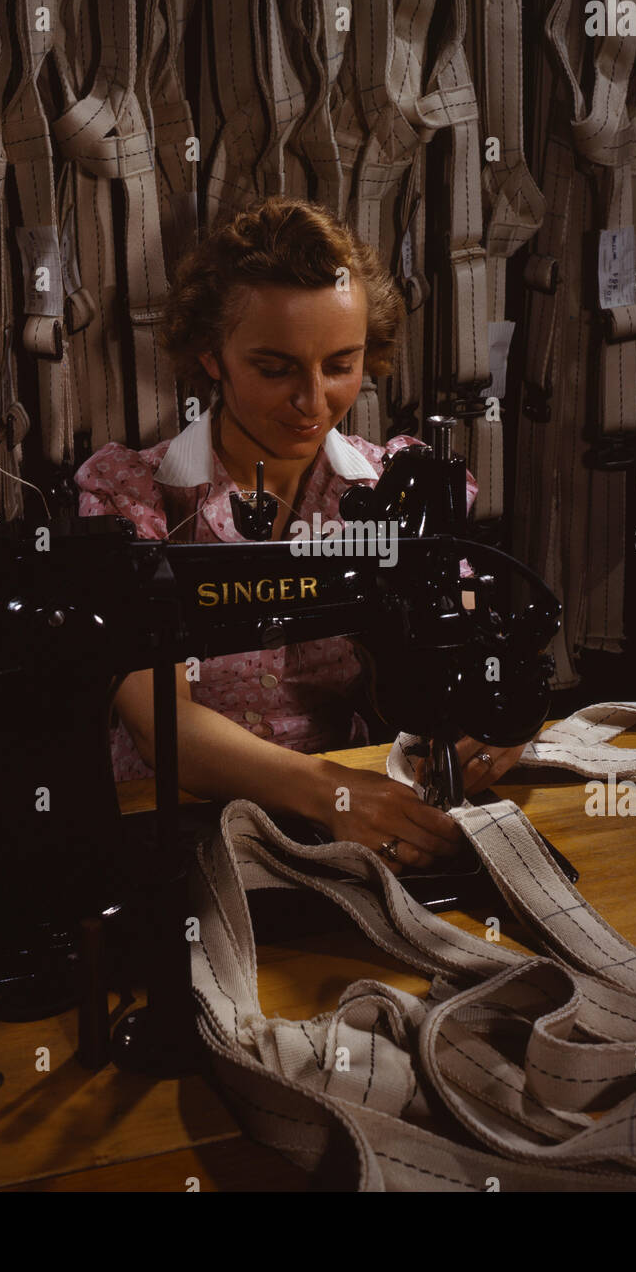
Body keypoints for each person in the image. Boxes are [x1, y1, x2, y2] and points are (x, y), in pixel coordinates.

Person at [76, 198, 524, 872]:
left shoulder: (394, 488)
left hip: (363, 799)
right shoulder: (132, 496)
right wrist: (329, 794)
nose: (312, 402)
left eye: (339, 365)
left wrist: (492, 724)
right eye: (275, 368)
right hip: (169, 811)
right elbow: (157, 723)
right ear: (211, 355)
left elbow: (463, 651)